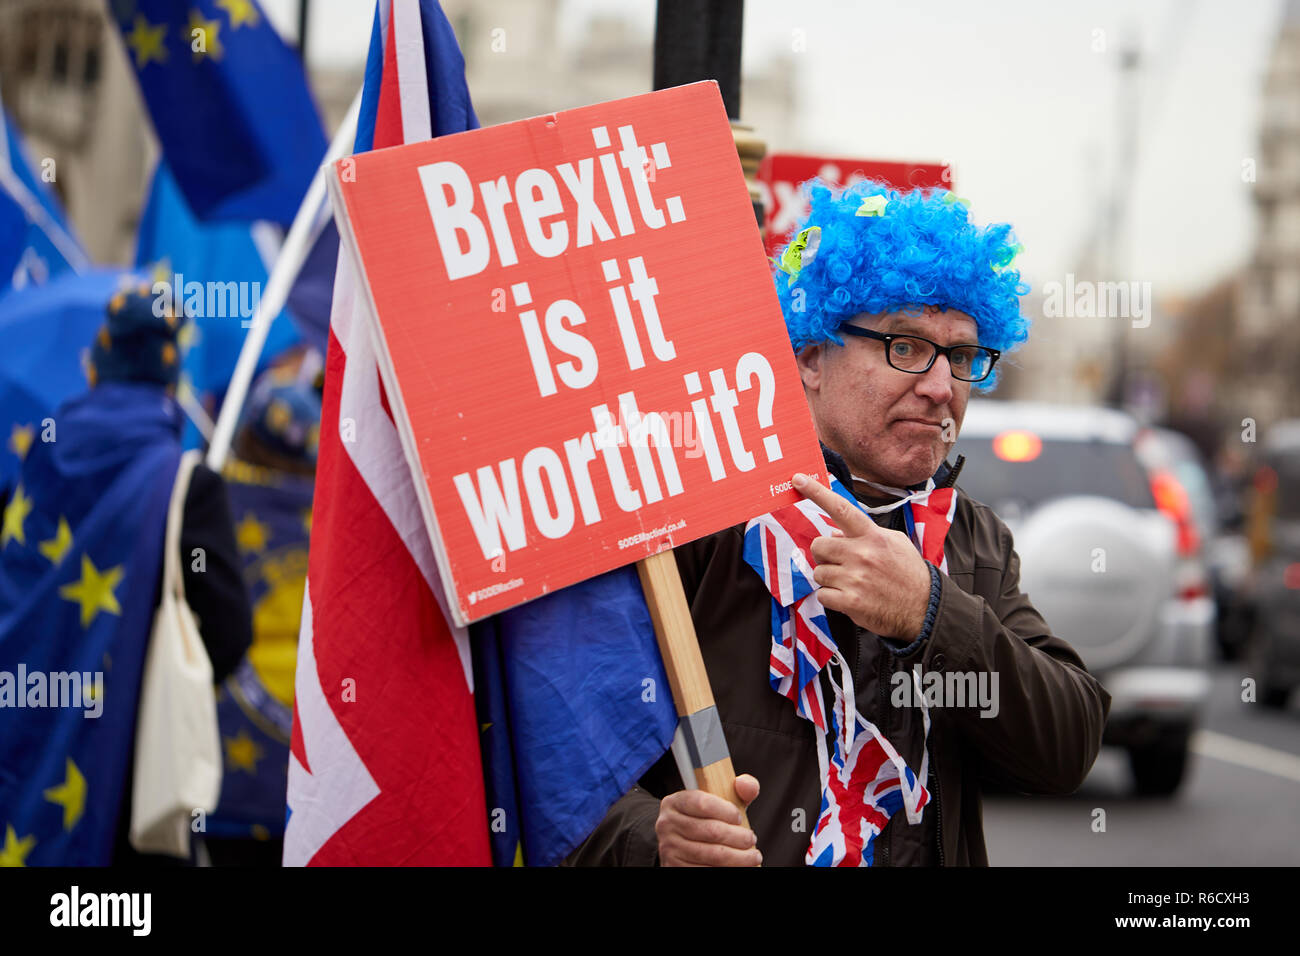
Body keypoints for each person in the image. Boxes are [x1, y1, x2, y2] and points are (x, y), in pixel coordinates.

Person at [566, 180, 1112, 867]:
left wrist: (929, 613)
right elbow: (565, 755)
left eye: (964, 356)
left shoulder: (970, 537)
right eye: (906, 347)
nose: (943, 387)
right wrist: (654, 841)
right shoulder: (700, 512)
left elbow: (1066, 747)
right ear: (811, 356)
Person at [0, 281, 250, 866]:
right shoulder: (190, 485)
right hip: (133, 778)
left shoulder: (37, 461)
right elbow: (230, 634)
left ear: (97, 368)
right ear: (171, 379)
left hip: (24, 758)